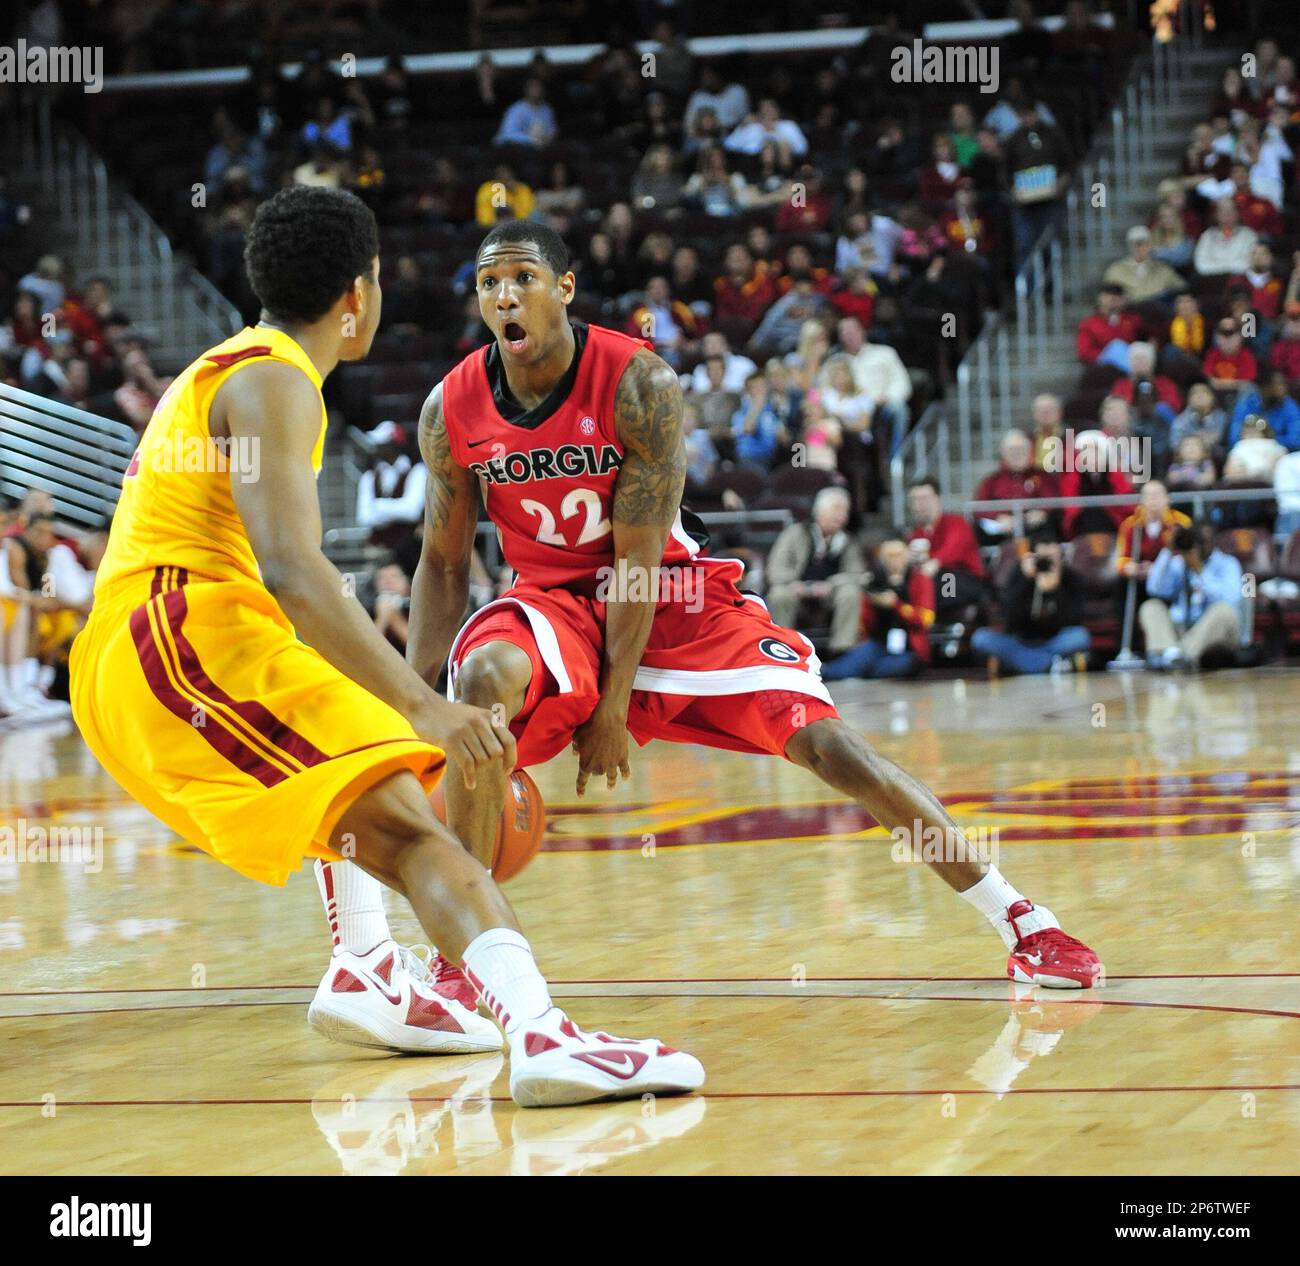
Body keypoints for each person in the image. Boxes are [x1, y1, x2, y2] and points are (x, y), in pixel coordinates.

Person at [68, 187, 700, 1108]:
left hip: (166, 649)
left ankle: (366, 964)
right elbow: (293, 568)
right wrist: (424, 701)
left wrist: (396, 702)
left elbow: (286, 586)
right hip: (172, 641)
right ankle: (544, 1037)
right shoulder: (276, 378)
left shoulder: (231, 366)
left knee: (377, 782)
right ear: (359, 294)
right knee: (415, 828)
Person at [386, 218, 1099, 1007]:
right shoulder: (450, 407)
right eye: (489, 283)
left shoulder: (637, 381)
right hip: (552, 606)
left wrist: (615, 706)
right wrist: (418, 705)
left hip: (675, 598)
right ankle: (462, 972)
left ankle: (1024, 921)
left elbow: (638, 563)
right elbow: (445, 564)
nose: (504, 296)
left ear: (564, 289)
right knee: (479, 686)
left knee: (833, 750)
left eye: (521, 278)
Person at [764, 487, 867, 656]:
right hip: (795, 590)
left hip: (829, 594)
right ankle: (782, 648)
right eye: (836, 509)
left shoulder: (847, 541)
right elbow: (775, 570)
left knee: (850, 593)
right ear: (819, 510)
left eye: (845, 511)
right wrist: (798, 584)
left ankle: (841, 651)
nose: (842, 516)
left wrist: (831, 584)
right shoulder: (794, 534)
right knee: (779, 594)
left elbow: (857, 575)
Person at [972, 532, 1091, 675]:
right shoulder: (1019, 574)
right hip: (1019, 643)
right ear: (1032, 557)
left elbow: (1074, 619)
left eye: (1053, 558)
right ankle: (1047, 665)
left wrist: (1054, 591)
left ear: (1061, 556)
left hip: (1054, 642)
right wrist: (1026, 580)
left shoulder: (1071, 578)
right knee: (981, 638)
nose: (1047, 563)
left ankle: (1024, 668)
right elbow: (1008, 618)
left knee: (1080, 636)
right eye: (1043, 559)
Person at [821, 538, 933, 681]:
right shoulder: (875, 581)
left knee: (903, 665)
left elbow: (925, 621)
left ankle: (863, 672)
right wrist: (872, 602)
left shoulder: (920, 580)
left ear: (906, 557)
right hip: (878, 643)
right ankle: (818, 672)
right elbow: (866, 624)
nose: (895, 561)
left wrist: (896, 605)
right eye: (890, 556)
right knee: (841, 670)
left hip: (909, 649)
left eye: (898, 555)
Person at [1140, 524, 1244, 670]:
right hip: (1181, 627)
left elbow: (1231, 600)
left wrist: (1199, 570)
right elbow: (1155, 589)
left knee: (1224, 611)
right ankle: (1169, 654)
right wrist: (1168, 552)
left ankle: (1180, 656)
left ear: (1214, 541)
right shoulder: (1179, 563)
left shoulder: (1228, 564)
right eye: (1196, 541)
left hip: (1212, 633)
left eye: (1203, 541)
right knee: (1151, 606)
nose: (1199, 546)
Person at [905, 478, 985, 619]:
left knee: (937, 583)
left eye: (925, 498)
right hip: (932, 581)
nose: (920, 504)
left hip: (961, 579)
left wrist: (934, 563)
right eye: (915, 500)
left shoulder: (956, 522)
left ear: (938, 499)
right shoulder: (915, 534)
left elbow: (954, 548)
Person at [1115, 480, 1192, 580]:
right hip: (1139, 579)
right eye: (1148, 495)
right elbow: (1121, 559)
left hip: (1171, 579)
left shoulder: (1180, 522)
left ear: (1168, 499)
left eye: (1158, 495)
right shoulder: (1130, 525)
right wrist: (1128, 567)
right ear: (1141, 501)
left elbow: (1188, 555)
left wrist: (1156, 569)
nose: (1153, 499)